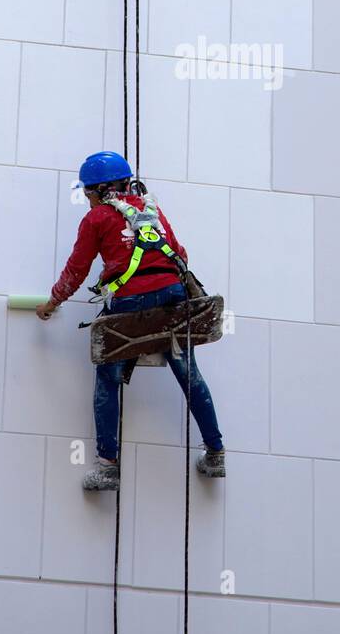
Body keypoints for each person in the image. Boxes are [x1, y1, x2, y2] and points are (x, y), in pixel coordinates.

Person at [37, 151, 225, 492]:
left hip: (130, 304)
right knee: (189, 374)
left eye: (88, 193)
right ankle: (215, 453)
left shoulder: (97, 220)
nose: (87, 200)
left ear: (100, 190)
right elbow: (179, 254)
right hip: (174, 300)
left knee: (107, 375)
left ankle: (108, 467)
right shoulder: (150, 209)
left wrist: (52, 303)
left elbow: (76, 270)